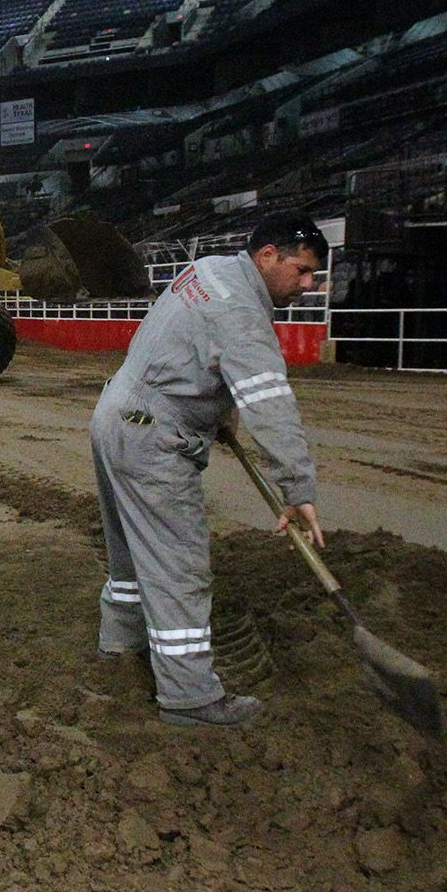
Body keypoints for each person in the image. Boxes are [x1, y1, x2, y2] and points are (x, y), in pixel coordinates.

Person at [89, 211, 329, 727]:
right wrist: (296, 488)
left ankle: (120, 639)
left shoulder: (211, 269)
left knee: (130, 551)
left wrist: (218, 412)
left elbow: (194, 350)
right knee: (180, 566)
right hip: (153, 434)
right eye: (302, 271)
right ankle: (191, 697)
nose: (308, 285)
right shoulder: (243, 314)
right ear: (268, 257)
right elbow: (271, 403)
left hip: (117, 411)